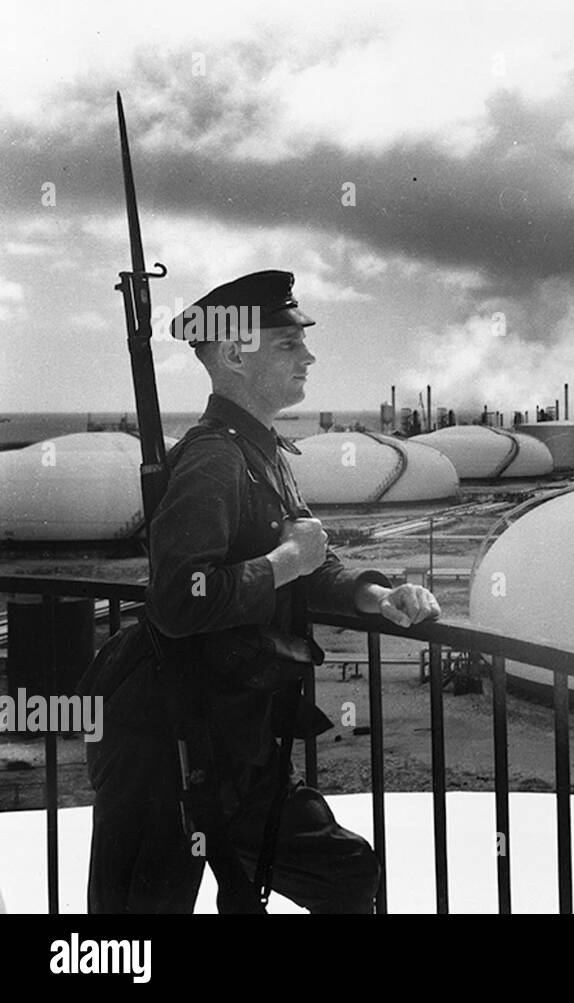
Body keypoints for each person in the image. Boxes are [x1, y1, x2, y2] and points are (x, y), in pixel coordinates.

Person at [84, 270, 440, 914]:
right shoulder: (214, 459)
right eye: (286, 344)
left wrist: (376, 596)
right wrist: (281, 561)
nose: (308, 355)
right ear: (233, 355)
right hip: (162, 736)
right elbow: (179, 599)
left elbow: (309, 564)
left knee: (345, 870)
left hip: (234, 733)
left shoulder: (262, 453)